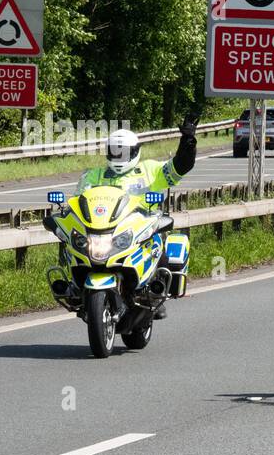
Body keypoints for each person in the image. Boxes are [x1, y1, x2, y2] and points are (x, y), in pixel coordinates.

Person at [76, 122, 197, 320]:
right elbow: (78, 200)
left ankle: (157, 293)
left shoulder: (150, 170)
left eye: (123, 152)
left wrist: (188, 142)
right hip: (106, 231)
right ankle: (74, 289)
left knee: (159, 247)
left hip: (142, 229)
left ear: (134, 152)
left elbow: (179, 167)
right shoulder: (94, 175)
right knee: (74, 246)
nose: (118, 157)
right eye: (115, 152)